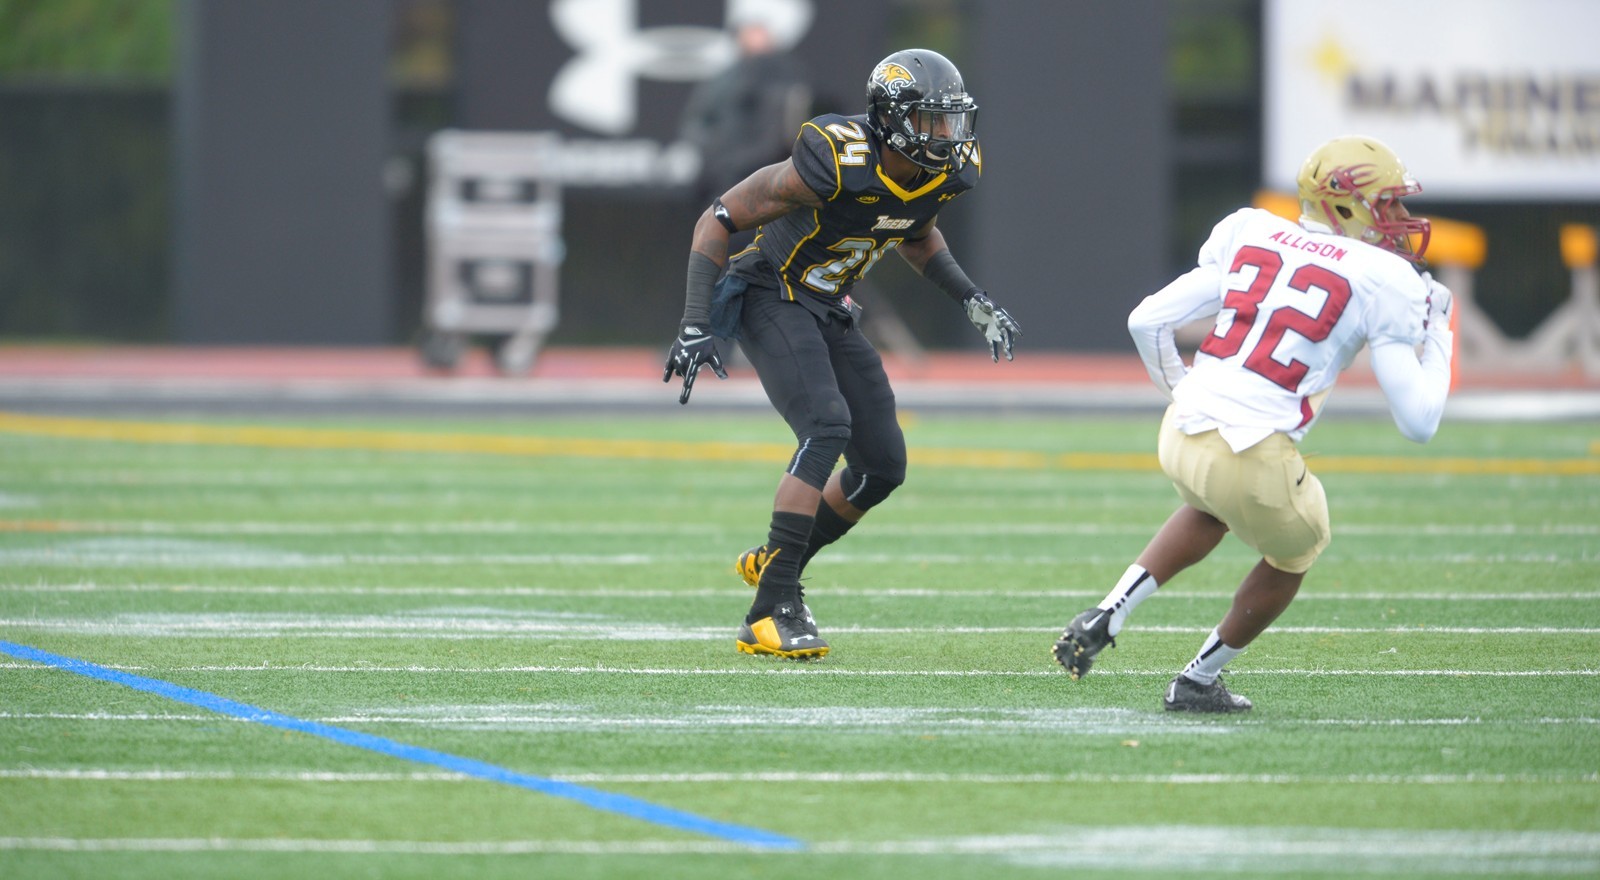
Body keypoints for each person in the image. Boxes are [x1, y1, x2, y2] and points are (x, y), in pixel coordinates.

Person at [1052, 135, 1454, 711]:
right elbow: (1419, 422)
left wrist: (1186, 392)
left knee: (1211, 507)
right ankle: (1196, 680)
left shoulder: (1252, 229)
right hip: (1256, 455)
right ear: (1345, 205)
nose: (1399, 219)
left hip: (1180, 435)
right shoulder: (1384, 277)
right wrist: (1439, 335)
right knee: (1300, 549)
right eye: (1386, 204)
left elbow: (1147, 321)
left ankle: (1110, 611)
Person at [662, 48, 1021, 661]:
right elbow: (718, 218)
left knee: (882, 466)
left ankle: (779, 560)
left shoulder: (942, 171)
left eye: (950, 121)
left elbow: (915, 228)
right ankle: (769, 610)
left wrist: (970, 296)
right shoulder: (835, 158)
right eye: (931, 121)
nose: (946, 135)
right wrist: (697, 323)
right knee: (827, 425)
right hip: (770, 292)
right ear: (891, 118)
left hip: (828, 306)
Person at [677, 13, 813, 209]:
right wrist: (718, 155)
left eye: (761, 33)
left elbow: (799, 123)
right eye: (751, 33)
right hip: (727, 178)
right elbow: (695, 124)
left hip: (777, 175)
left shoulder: (792, 77)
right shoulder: (722, 82)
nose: (757, 39)